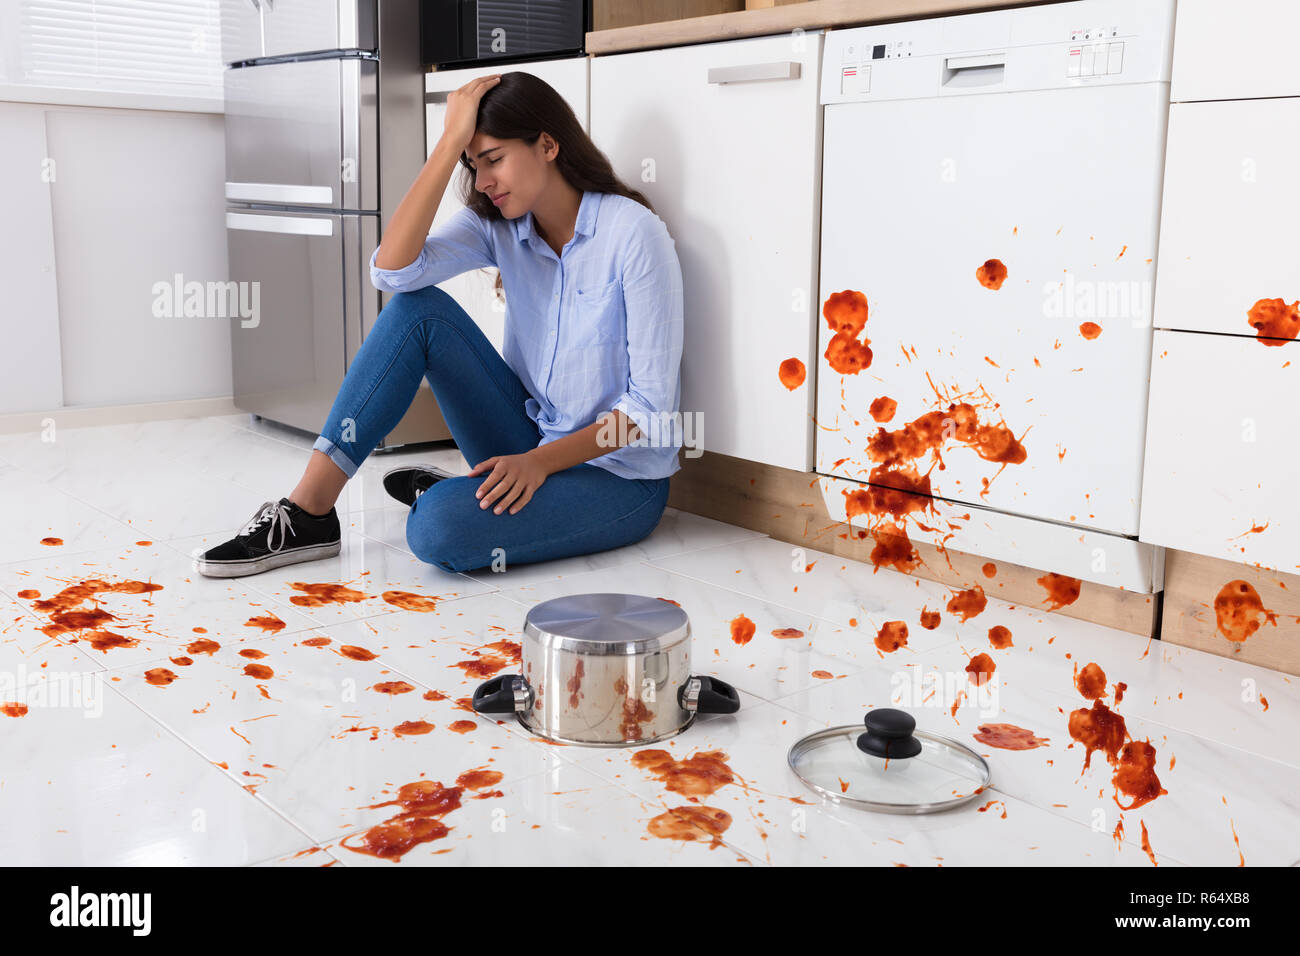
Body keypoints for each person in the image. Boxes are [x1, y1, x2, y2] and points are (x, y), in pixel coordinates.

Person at [196, 71, 685, 578]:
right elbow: (392, 271)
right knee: (417, 310)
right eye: (473, 166)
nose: (484, 181)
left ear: (547, 144)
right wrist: (448, 143)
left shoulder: (632, 234)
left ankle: (452, 496)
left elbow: (648, 411)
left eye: (494, 159)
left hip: (616, 479)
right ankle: (308, 513)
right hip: (528, 442)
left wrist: (538, 464)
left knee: (435, 528)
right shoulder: (500, 224)